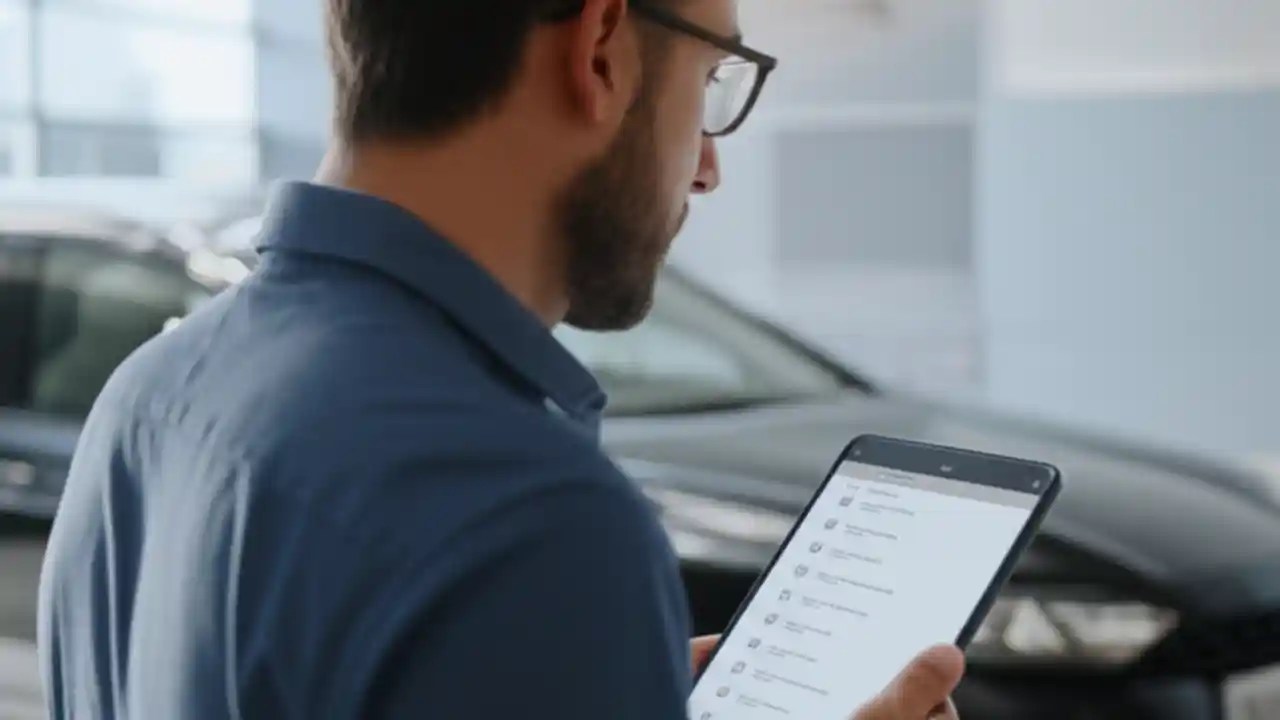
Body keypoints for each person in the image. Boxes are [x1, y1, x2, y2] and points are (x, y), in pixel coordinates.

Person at [38, 0, 965, 718]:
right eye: (713, 77)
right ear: (600, 45)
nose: (706, 167)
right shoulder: (529, 517)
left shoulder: (147, 395)